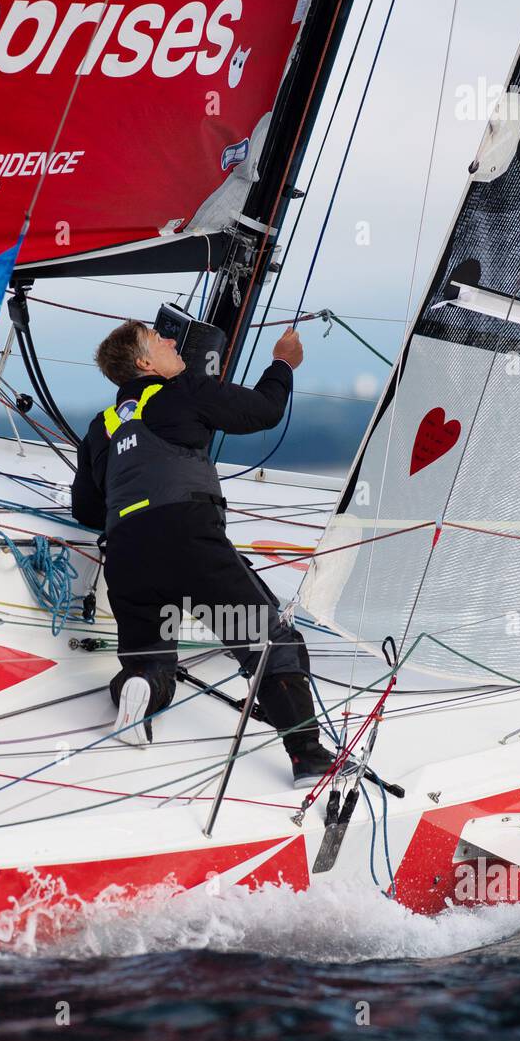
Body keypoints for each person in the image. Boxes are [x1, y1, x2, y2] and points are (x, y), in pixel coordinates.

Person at [72, 319, 340, 788]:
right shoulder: (182, 393)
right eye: (160, 339)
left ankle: (140, 685)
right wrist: (282, 363)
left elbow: (87, 509)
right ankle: (309, 759)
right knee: (270, 641)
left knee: (151, 660)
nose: (172, 341)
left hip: (127, 555)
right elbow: (263, 411)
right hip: (187, 540)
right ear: (144, 364)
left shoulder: (101, 427)